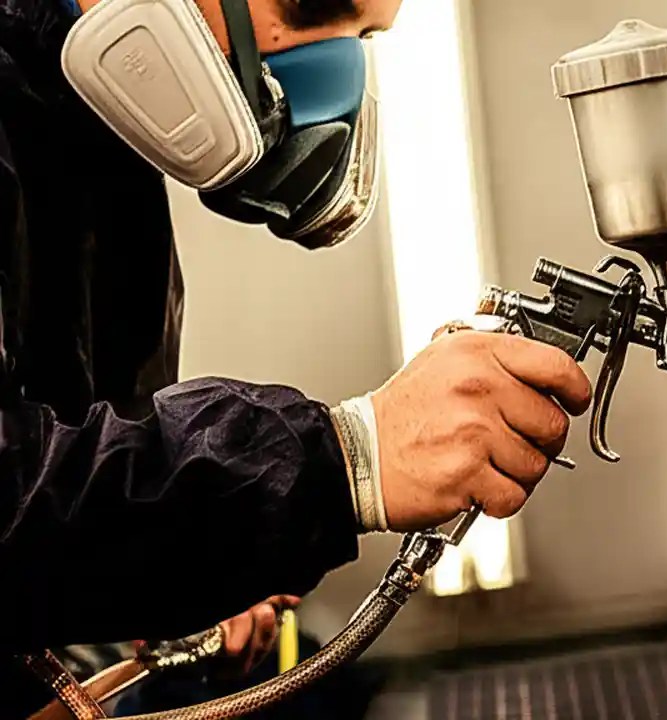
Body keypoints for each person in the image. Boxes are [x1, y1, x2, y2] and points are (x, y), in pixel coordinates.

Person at [0, 0, 590, 693]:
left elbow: (87, 453)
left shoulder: (89, 123)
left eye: (367, 34)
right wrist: (343, 460)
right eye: (310, 5)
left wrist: (197, 564)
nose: (336, 74)